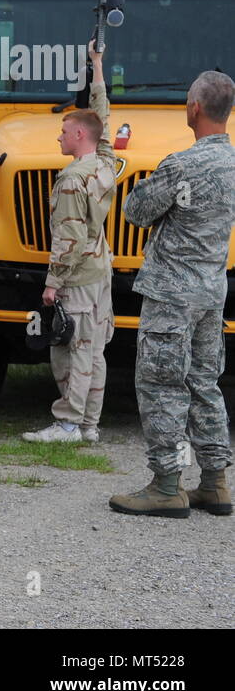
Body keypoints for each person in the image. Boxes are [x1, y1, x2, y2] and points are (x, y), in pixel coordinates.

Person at [110, 70, 235, 518]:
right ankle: (215, 482)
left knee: (162, 385)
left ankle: (166, 485)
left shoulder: (183, 164)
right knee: (205, 383)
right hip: (212, 291)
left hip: (172, 295)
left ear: (196, 109)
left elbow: (136, 210)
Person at [23, 40, 117, 444]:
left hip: (78, 275)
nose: (59, 137)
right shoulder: (106, 163)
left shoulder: (71, 179)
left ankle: (67, 423)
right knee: (94, 350)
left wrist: (52, 283)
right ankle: (89, 425)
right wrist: (97, 66)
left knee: (71, 351)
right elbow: (105, 119)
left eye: (64, 131)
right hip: (101, 271)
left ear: (79, 134)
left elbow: (68, 237)